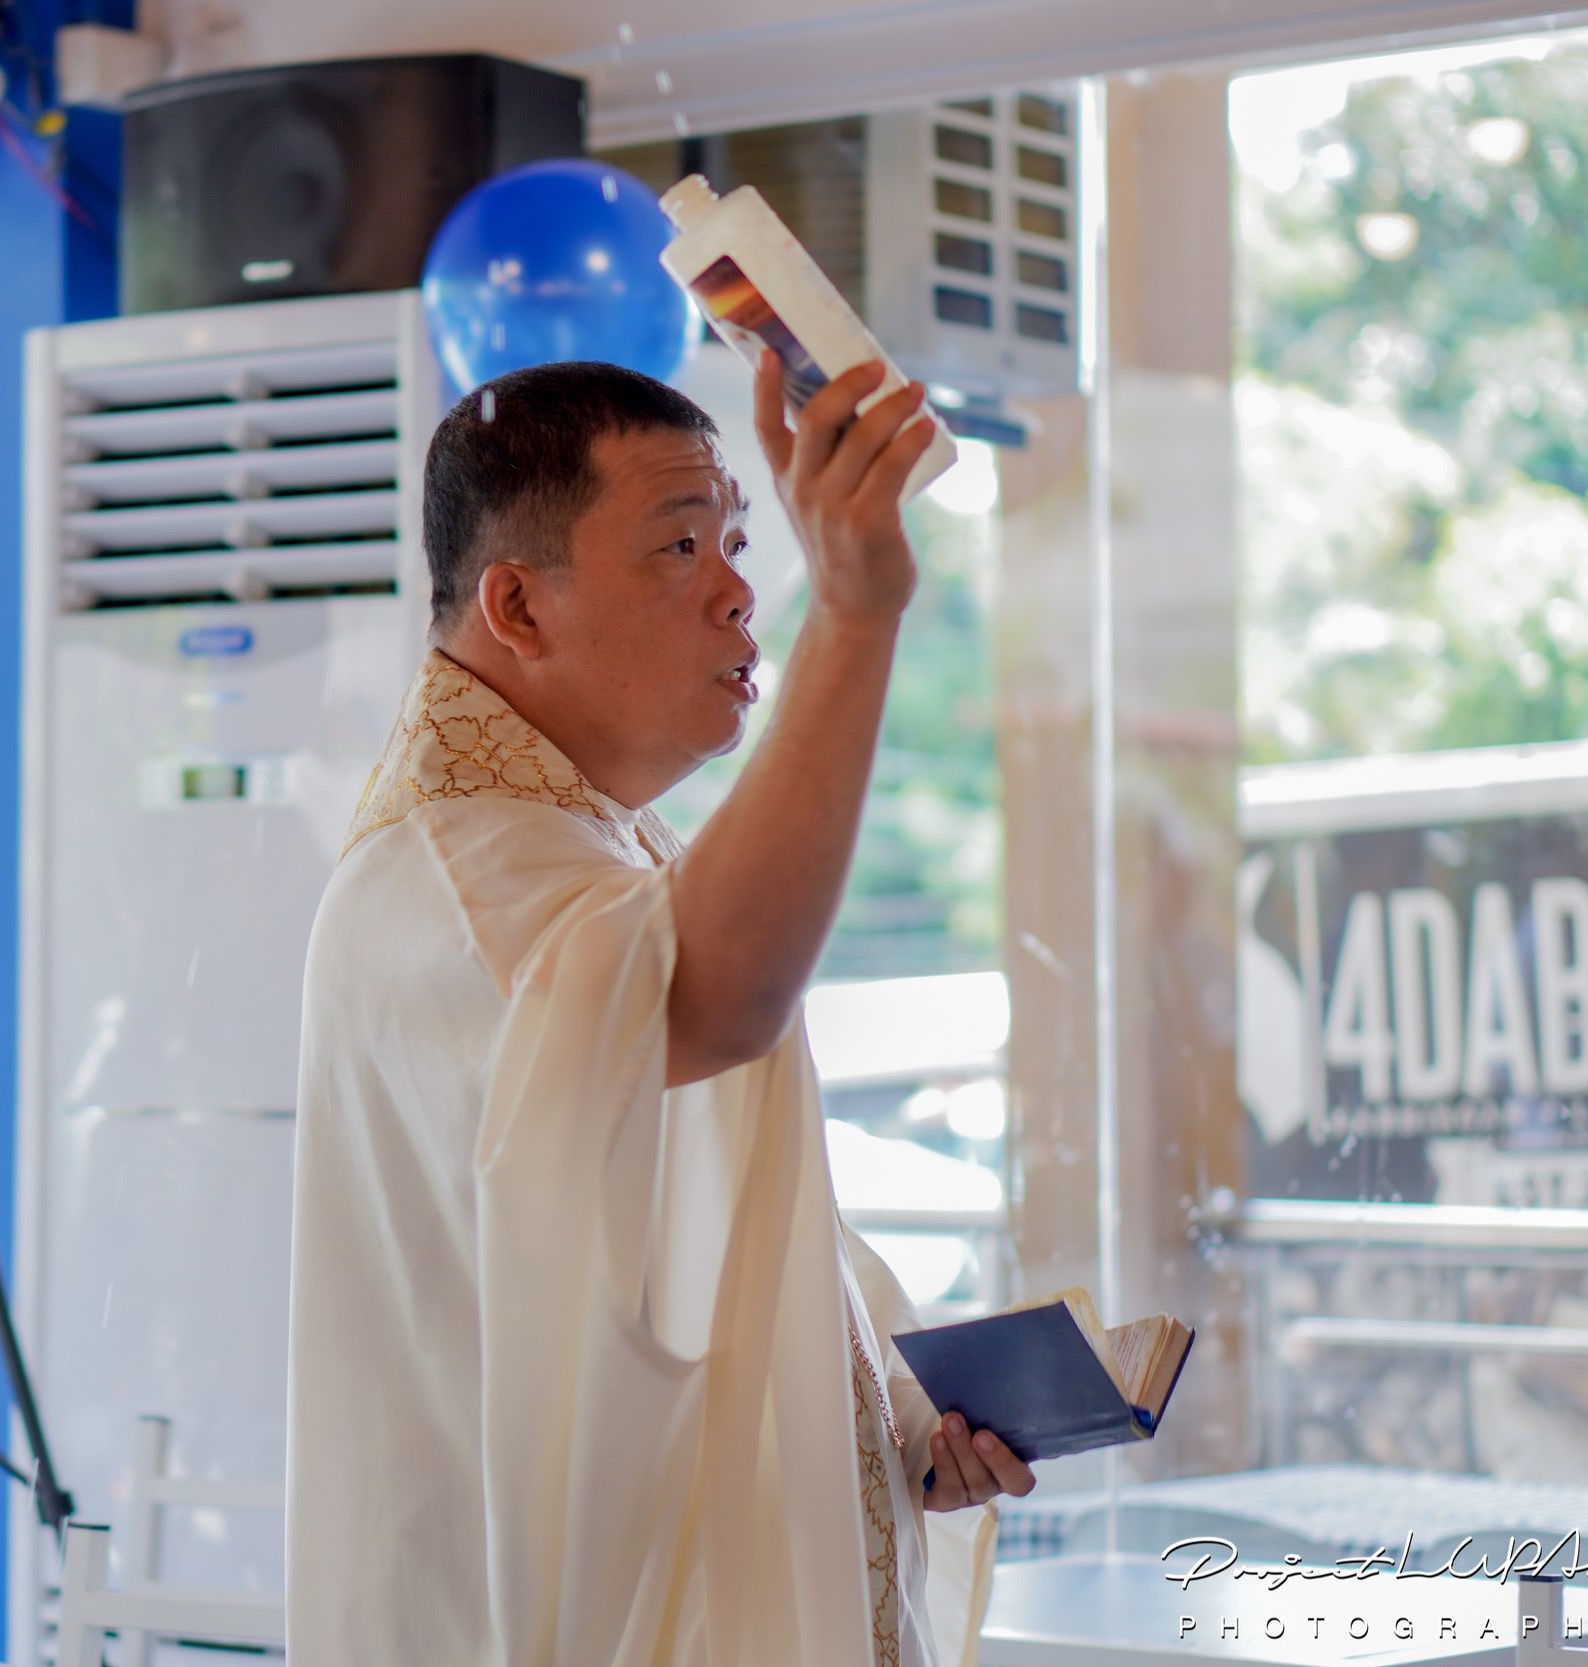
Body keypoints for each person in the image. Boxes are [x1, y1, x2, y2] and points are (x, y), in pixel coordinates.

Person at [285, 349, 1034, 1667]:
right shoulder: (461, 870)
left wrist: (896, 1419)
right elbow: (719, 996)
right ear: (516, 605)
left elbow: (701, 1248)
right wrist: (854, 620)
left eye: (742, 541)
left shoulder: (586, 845)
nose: (744, 593)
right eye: (683, 547)